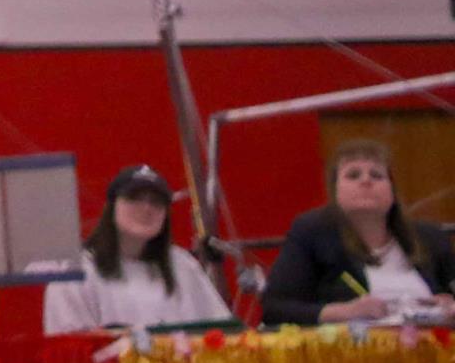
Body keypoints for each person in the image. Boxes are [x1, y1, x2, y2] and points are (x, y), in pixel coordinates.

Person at [261, 141, 455, 325]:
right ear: (335, 190)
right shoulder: (312, 233)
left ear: (392, 191)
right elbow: (275, 309)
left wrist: (450, 306)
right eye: (353, 175)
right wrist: (345, 312)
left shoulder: (430, 237)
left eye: (377, 175)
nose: (366, 180)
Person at [41, 165, 227, 333]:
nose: (146, 208)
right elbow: (69, 350)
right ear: (111, 206)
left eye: (156, 201)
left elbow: (222, 332)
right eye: (134, 198)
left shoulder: (183, 264)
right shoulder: (76, 271)